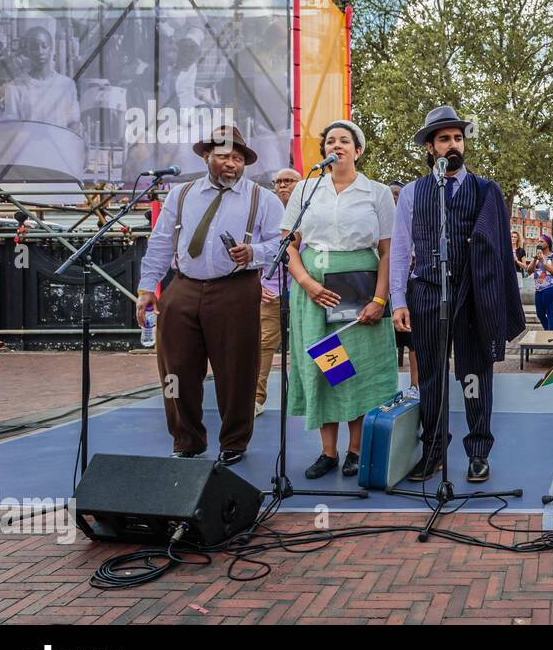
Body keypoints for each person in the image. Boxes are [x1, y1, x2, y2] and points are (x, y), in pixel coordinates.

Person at [389, 105, 525, 483]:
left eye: (458, 137)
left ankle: (478, 451)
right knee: (430, 377)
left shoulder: (485, 190)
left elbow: (497, 250)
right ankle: (432, 449)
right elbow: (400, 250)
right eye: (445, 138)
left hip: (472, 297)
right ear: (431, 147)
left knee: (474, 375)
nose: (453, 144)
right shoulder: (414, 192)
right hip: (427, 293)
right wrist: (398, 299)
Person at [135, 126, 283, 464]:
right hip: (183, 285)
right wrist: (147, 288)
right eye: (223, 156)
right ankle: (186, 441)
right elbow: (160, 243)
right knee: (176, 369)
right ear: (207, 157)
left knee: (237, 370)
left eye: (237, 158)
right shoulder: (181, 194)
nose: (231, 164)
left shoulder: (263, 199)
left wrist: (255, 253)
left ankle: (234, 442)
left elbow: (283, 243)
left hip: (237, 288)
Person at [282, 120, 398, 480]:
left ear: (358, 150)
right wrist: (305, 282)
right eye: (330, 140)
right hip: (315, 294)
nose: (337, 145)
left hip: (359, 290)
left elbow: (389, 249)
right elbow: (288, 243)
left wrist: (380, 299)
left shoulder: (376, 192)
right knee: (327, 365)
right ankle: (327, 451)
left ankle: (356, 449)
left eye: (345, 140)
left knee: (356, 368)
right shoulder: (306, 189)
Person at [255, 167, 301, 417]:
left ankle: (333, 392)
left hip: (307, 289)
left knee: (321, 341)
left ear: (301, 183)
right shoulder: (264, 212)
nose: (282, 185)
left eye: (288, 181)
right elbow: (256, 251)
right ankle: (256, 398)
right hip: (271, 289)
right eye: (278, 182)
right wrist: (258, 285)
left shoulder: (311, 209)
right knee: (263, 343)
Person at [0, 26, 81, 133]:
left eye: (44, 46)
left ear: (51, 48)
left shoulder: (67, 85)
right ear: (27, 51)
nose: (40, 51)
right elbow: (11, 127)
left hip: (59, 148)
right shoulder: (14, 87)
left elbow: (74, 124)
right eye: (34, 47)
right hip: (28, 149)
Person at [388, 180, 419, 399]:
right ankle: (384, 388)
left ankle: (416, 385)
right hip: (381, 285)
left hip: (410, 283)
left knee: (413, 340)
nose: (394, 198)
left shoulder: (411, 217)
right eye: (391, 195)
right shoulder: (380, 219)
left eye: (397, 194)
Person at [527, 233, 553, 330]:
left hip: (550, 288)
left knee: (550, 313)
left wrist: (543, 261)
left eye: (541, 241)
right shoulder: (538, 257)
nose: (539, 243)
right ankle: (547, 332)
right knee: (540, 314)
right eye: (538, 241)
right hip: (538, 289)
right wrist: (534, 260)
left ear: (548, 243)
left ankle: (549, 335)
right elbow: (529, 271)